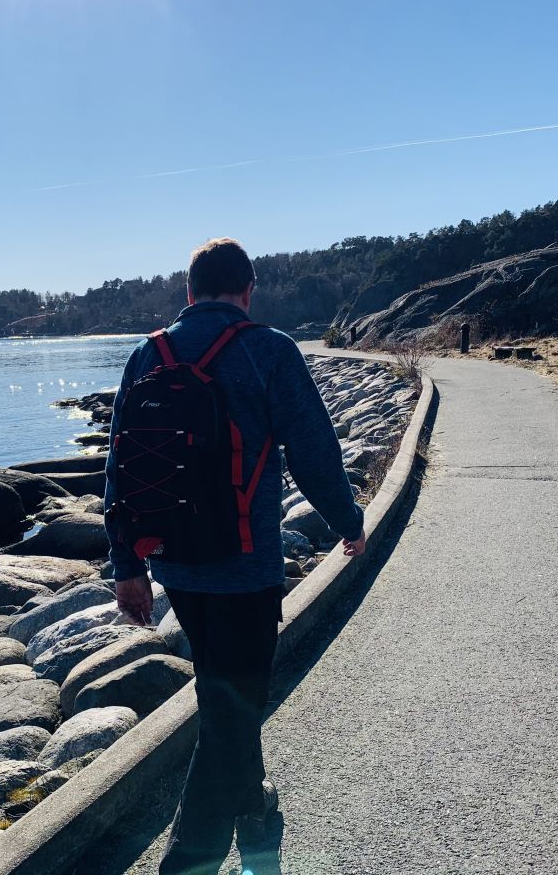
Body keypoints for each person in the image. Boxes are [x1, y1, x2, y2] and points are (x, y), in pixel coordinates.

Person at [104, 237, 367, 875]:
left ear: (188, 291)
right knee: (231, 717)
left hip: (175, 563)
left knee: (226, 703)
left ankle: (257, 825)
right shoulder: (269, 349)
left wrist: (128, 567)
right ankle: (185, 865)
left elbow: (119, 467)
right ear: (248, 291)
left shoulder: (148, 352)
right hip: (245, 568)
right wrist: (349, 523)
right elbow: (313, 451)